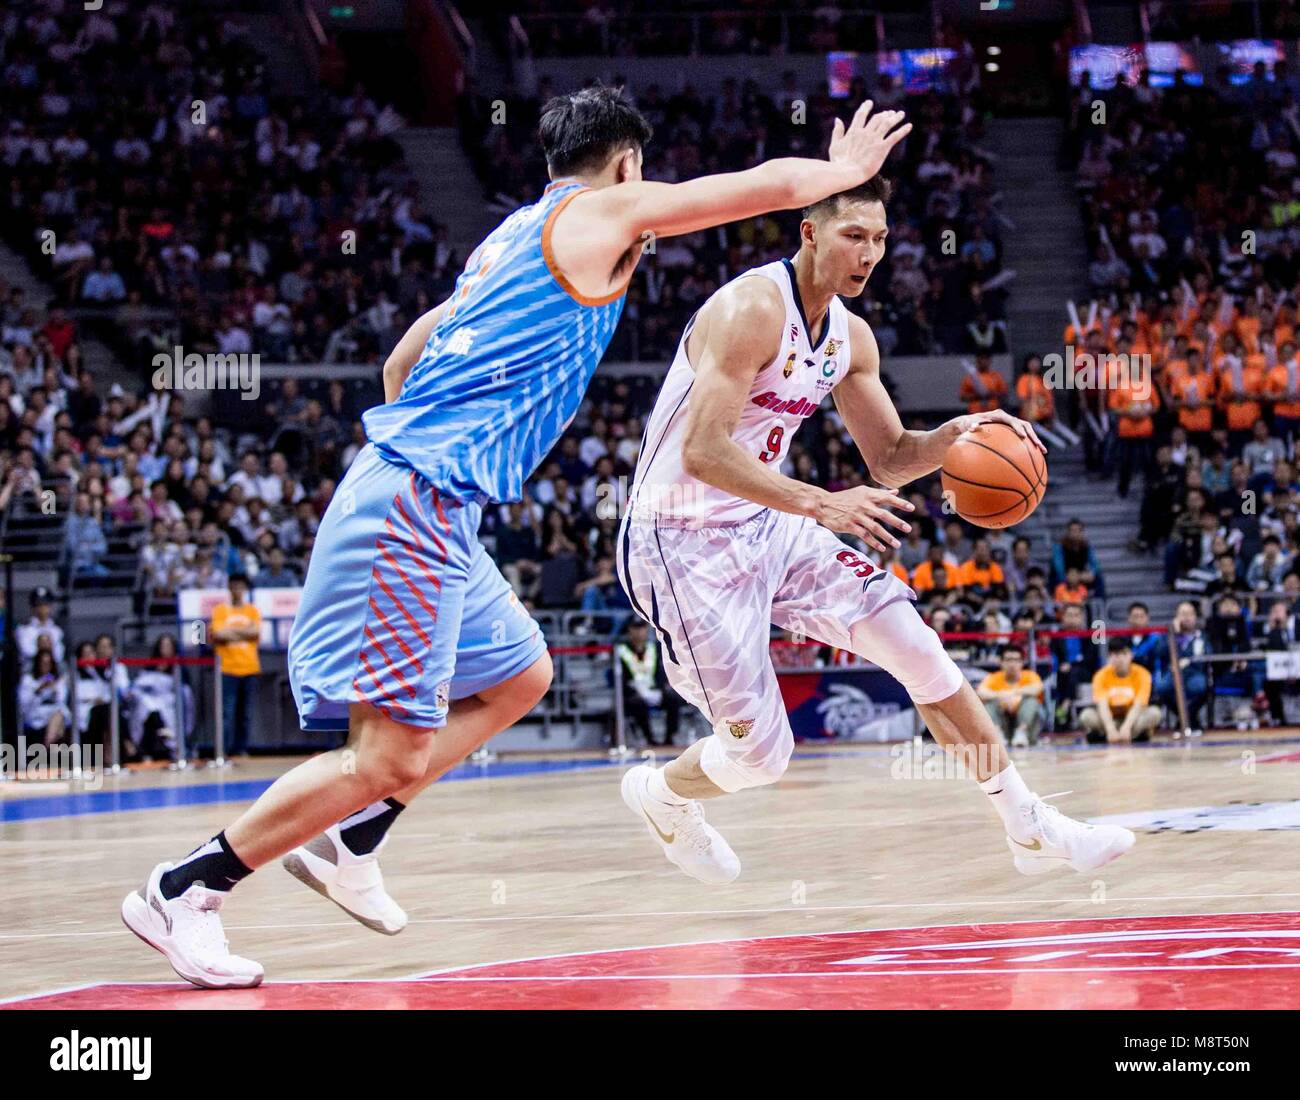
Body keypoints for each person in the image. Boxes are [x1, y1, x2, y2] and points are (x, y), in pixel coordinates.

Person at [123, 89, 919, 987]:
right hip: (416, 502)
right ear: (625, 165)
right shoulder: (601, 210)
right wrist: (843, 175)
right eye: (642, 176)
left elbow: (405, 360)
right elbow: (758, 187)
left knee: (520, 676)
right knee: (388, 752)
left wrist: (434, 433)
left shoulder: (508, 238)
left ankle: (356, 836)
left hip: (435, 502)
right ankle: (188, 886)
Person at [614, 172, 1134, 890]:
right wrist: (821, 504)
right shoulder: (748, 310)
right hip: (680, 540)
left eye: (880, 239)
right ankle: (663, 796)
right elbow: (703, 452)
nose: (868, 253)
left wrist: (952, 437)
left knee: (916, 646)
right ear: (810, 233)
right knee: (761, 758)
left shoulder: (850, 339)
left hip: (771, 521)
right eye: (853, 235)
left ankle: (1029, 827)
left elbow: (888, 461)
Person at [210, 574, 261, 758]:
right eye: (234, 586)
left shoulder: (252, 610)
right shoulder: (220, 610)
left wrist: (230, 632)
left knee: (245, 714)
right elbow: (218, 634)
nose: (237, 590)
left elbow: (255, 631)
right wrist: (243, 633)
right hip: (227, 668)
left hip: (249, 667)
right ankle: (223, 750)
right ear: (229, 588)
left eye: (241, 586)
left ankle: (241, 749)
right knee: (227, 714)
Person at [1080, 640, 1162, 744]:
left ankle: (1107, 736)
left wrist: (1127, 727)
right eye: (1114, 654)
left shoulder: (1143, 674)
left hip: (1133, 719)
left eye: (1123, 654)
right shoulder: (1100, 675)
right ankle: (1133, 736)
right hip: (1110, 719)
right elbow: (1102, 705)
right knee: (1086, 715)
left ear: (1130, 655)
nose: (1119, 658)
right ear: (1109, 657)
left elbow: (1139, 705)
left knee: (1155, 713)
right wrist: (1110, 729)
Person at [127, 634, 194, 761]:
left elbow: (185, 690)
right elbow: (139, 684)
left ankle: (175, 748)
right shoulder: (151, 666)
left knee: (166, 713)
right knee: (147, 708)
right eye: (163, 646)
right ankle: (145, 750)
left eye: (168, 646)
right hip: (151, 701)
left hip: (172, 703)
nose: (165, 649)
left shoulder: (179, 667)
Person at [615, 619, 681, 747]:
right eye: (635, 628)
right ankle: (649, 739)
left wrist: (661, 688)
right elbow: (620, 678)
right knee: (637, 704)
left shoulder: (654, 647)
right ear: (629, 630)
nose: (639, 632)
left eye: (642, 628)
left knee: (673, 699)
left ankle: (669, 737)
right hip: (634, 693)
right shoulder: (622, 649)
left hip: (654, 690)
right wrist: (633, 691)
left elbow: (661, 672)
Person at [977, 645, 1044, 747]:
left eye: (1016, 660)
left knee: (1031, 700)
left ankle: (1021, 733)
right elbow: (980, 692)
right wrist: (1000, 696)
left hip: (1026, 726)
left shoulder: (1030, 676)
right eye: (1008, 660)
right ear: (1001, 662)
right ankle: (997, 734)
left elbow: (1037, 688)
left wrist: (1013, 693)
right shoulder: (993, 678)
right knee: (989, 703)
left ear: (1022, 662)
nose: (1012, 664)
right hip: (1003, 723)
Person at [20, 649, 69, 747]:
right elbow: (24, 704)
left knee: (59, 715)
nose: (46, 666)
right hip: (35, 714)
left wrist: (55, 689)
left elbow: (61, 701)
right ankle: (49, 747)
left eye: (48, 663)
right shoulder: (28, 681)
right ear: (38, 664)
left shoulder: (57, 681)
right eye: (43, 663)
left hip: (55, 712)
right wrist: (38, 691)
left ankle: (47, 744)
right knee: (59, 727)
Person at [16, 586, 64, 663]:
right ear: (32, 607)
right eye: (39, 605)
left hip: (53, 669)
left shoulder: (57, 630)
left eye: (46, 604)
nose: (43, 608)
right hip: (30, 670)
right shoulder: (24, 629)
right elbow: (27, 651)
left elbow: (59, 655)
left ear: (51, 606)